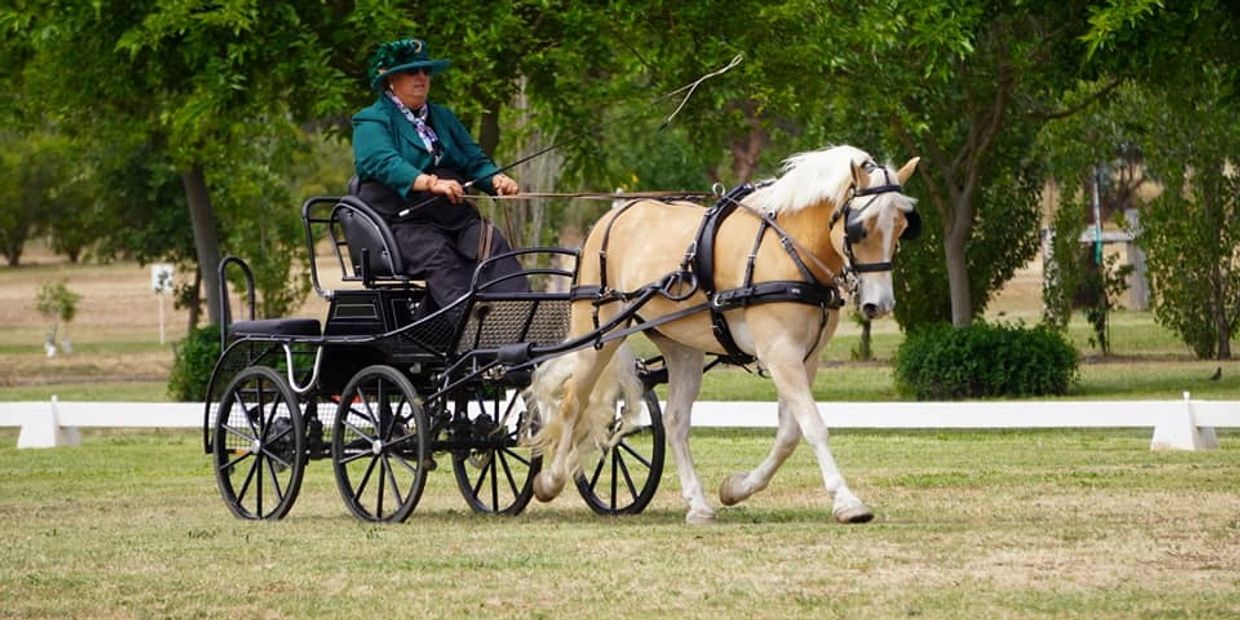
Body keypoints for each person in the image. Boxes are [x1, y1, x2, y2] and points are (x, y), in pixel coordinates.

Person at [351, 37, 528, 309]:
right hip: (401, 223)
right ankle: (470, 334)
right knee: (439, 254)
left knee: (491, 242)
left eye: (426, 71)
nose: (421, 77)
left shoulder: (443, 116)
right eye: (412, 71)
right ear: (390, 79)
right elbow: (383, 161)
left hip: (453, 216)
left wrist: (496, 179)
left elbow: (474, 160)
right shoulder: (371, 120)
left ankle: (524, 318)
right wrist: (430, 183)